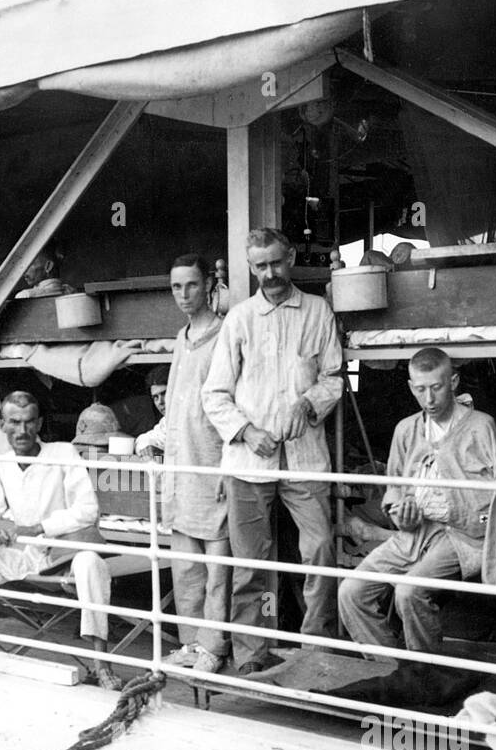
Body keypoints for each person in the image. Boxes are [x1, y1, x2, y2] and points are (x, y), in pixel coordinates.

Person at [202, 227, 344, 675]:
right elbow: (215, 394)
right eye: (260, 266)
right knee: (251, 565)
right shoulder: (239, 319)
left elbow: (335, 378)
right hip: (249, 461)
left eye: (277, 263)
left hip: (305, 457)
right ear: (250, 267)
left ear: (292, 257)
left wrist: (310, 402)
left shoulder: (318, 312)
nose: (270, 273)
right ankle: (252, 654)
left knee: (320, 550)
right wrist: (245, 431)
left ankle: (317, 648)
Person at [338, 347, 496, 660]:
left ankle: (427, 675)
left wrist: (467, 516)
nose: (429, 399)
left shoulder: (480, 426)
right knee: (351, 592)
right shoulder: (406, 430)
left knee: (409, 592)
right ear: (411, 387)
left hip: (459, 537)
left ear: (453, 382)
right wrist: (401, 512)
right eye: (420, 389)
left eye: (436, 387)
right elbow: (393, 489)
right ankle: (393, 668)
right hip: (414, 534)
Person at [0, 390, 120, 692]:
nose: (22, 431)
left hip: (65, 553)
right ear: (3, 426)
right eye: (14, 422)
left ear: (39, 423)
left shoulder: (62, 454)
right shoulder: (3, 466)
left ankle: (102, 664)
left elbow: (88, 510)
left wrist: (41, 527)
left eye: (29, 422)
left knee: (91, 563)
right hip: (22, 555)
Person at [143, 255, 232, 674]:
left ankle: (213, 647)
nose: (184, 295)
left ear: (209, 286)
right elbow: (176, 409)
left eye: (191, 286)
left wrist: (225, 469)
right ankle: (190, 643)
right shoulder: (181, 337)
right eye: (177, 287)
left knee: (217, 568)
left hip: (212, 463)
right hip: (180, 467)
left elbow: (228, 406)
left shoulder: (224, 334)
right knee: (186, 568)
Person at [133, 364, 170, 455]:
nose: (160, 402)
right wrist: (148, 448)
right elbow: (143, 440)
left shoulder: (193, 418)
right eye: (155, 397)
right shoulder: (166, 422)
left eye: (164, 393)